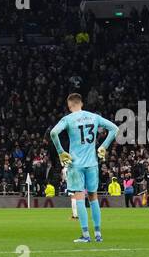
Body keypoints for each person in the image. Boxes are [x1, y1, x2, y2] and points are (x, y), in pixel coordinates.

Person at [50, 93, 119, 244]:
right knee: (93, 197)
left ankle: (86, 235)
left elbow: (53, 133)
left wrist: (61, 152)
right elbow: (114, 129)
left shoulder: (68, 119)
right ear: (81, 103)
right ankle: (98, 234)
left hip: (76, 164)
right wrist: (104, 147)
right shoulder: (94, 117)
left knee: (79, 197)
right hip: (92, 163)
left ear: (69, 106)